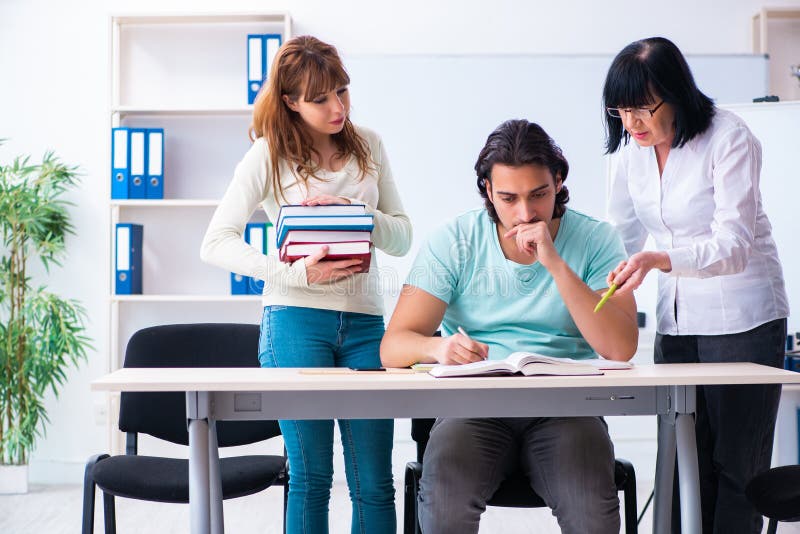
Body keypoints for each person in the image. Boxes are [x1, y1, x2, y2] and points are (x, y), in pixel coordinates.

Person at [381, 119, 638, 534]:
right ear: (487, 190)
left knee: (591, 510)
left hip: (567, 411)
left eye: (539, 195)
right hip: (473, 410)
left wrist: (554, 262)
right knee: (444, 504)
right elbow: (393, 346)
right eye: (508, 198)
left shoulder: (596, 240)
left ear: (558, 181)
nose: (525, 213)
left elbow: (620, 347)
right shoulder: (454, 241)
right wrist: (437, 349)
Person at [200, 35, 411, 534]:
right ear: (291, 101)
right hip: (294, 323)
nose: (338, 107)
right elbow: (215, 242)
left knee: (374, 483)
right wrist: (294, 272)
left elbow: (401, 236)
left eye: (342, 91)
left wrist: (359, 216)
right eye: (320, 99)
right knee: (312, 477)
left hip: (365, 325)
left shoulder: (369, 144)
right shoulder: (267, 155)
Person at [603, 37, 789, 534]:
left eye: (643, 109)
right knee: (684, 459)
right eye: (620, 110)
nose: (632, 123)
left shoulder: (729, 137)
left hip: (743, 316)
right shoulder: (629, 155)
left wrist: (663, 258)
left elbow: (734, 244)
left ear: (677, 94)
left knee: (736, 465)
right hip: (676, 321)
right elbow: (617, 235)